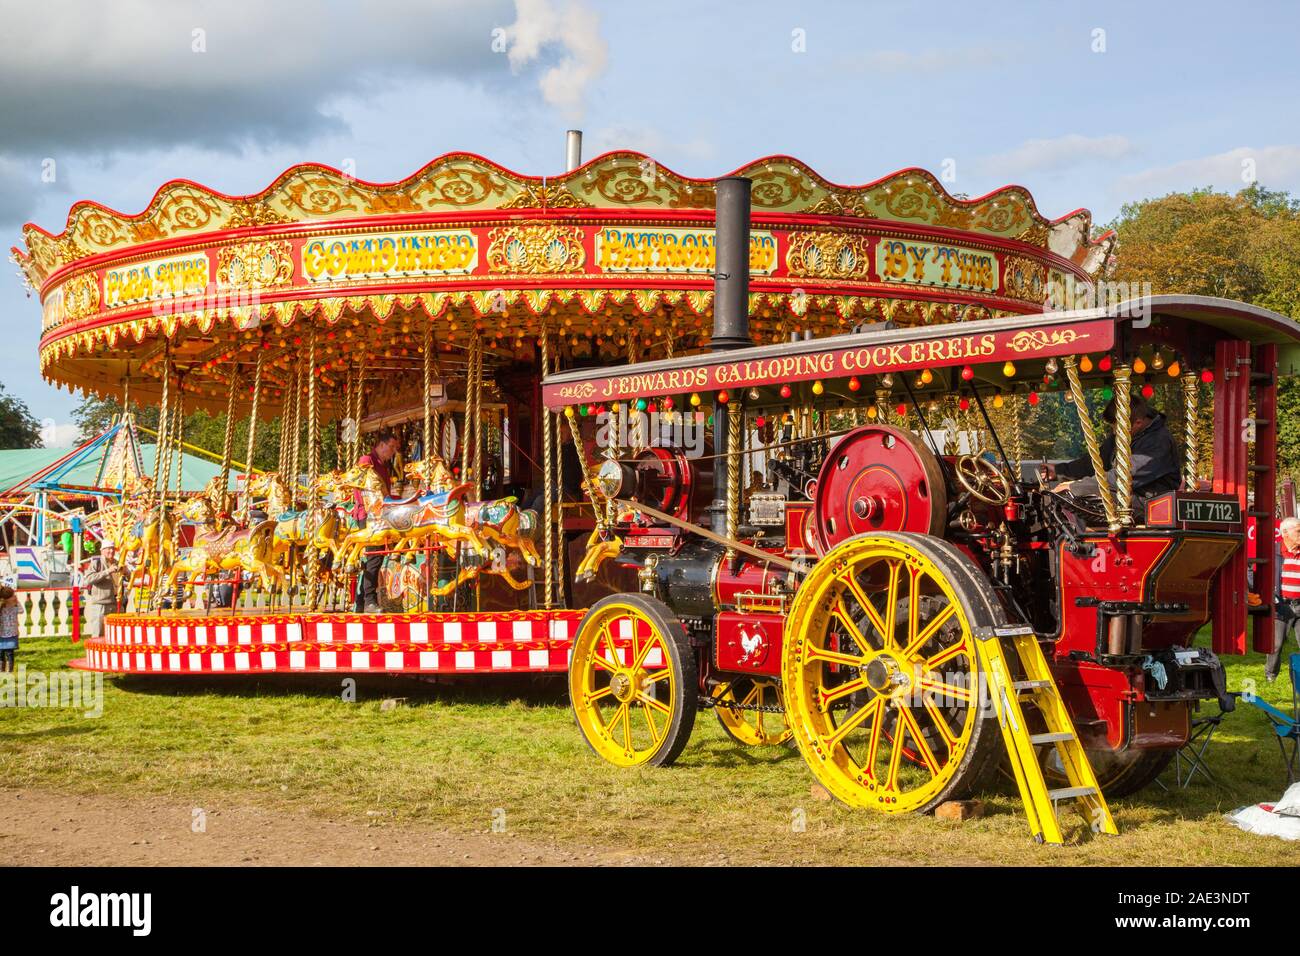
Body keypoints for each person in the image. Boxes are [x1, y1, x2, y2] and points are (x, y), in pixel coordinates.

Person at [1043, 396, 1180, 507]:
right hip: (1130, 496)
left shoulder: (1159, 441)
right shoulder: (1124, 435)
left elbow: (1123, 477)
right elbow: (1095, 463)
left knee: (1082, 494)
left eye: (1117, 426)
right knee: (1078, 493)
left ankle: (1080, 539)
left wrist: (1075, 486)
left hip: (1152, 503)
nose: (1114, 431)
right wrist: (1059, 471)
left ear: (1138, 422)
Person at [354, 431, 400, 613]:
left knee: (375, 558)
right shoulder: (367, 461)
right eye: (391, 447)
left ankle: (361, 601)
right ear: (381, 445)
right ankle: (370, 602)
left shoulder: (383, 466)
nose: (393, 452)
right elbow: (362, 488)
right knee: (374, 557)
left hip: (380, 514)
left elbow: (385, 495)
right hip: (369, 515)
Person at [1267, 516, 1300, 683]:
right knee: (1276, 644)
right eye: (1298, 531)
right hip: (1281, 606)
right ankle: (1270, 675)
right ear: (1285, 533)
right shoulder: (1273, 553)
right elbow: (1254, 575)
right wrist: (1271, 596)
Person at [81, 543, 122, 639]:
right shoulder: (96, 563)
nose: (111, 551)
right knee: (99, 633)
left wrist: (127, 573)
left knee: (114, 634)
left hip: (115, 603)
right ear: (102, 550)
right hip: (101, 604)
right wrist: (107, 571)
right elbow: (89, 579)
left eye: (112, 549)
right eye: (108, 549)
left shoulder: (117, 563)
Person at [0, 586, 19, 672]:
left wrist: (16, 602)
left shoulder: (14, 607)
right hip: (2, 634)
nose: (15, 596)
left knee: (10, 653)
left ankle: (10, 671)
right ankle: (2, 670)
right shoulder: (2, 608)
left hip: (11, 634)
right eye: (13, 595)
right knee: (1, 654)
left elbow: (21, 611)